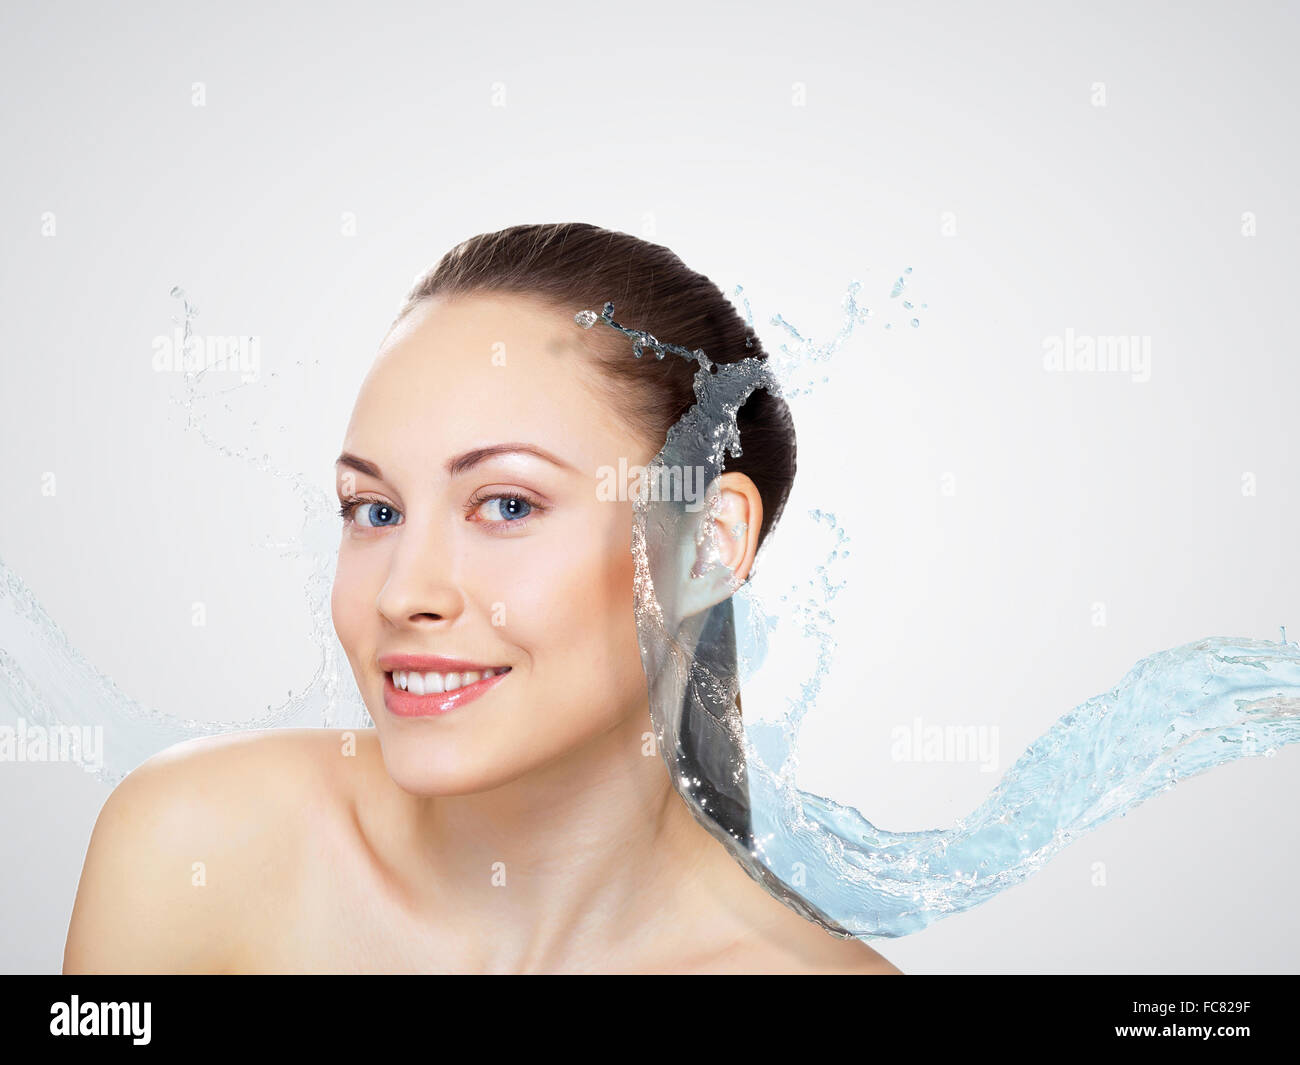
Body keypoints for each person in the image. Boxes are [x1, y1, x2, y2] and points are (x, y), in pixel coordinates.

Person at [63, 222, 900, 974]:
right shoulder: (194, 848)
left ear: (706, 545)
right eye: (375, 511)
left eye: (507, 505)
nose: (403, 592)